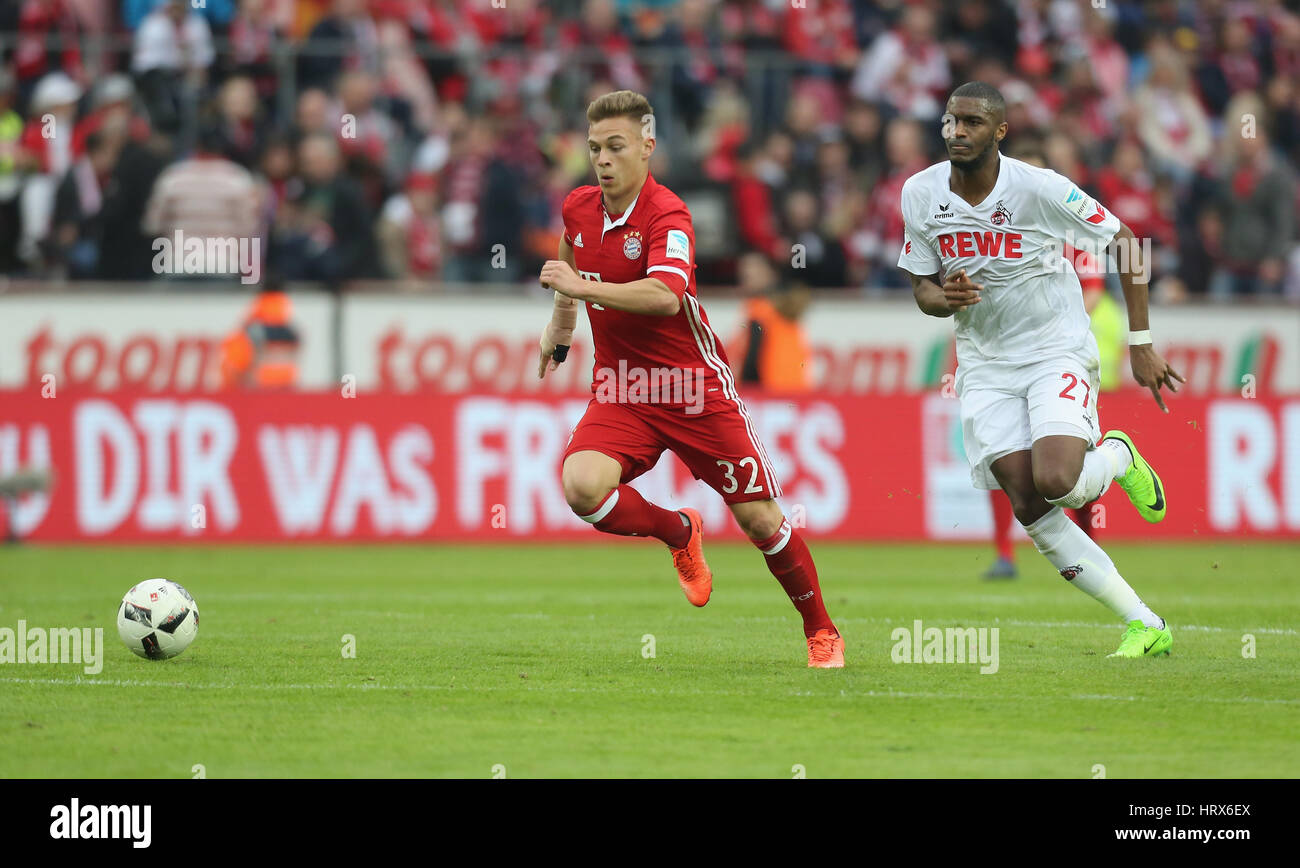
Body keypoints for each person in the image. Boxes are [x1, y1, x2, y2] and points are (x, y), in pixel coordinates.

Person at [536, 90, 843, 668]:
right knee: (580, 486)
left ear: (648, 147)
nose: (602, 159)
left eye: (616, 147)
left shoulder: (668, 214)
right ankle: (678, 531)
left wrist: (582, 291)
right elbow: (571, 252)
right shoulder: (579, 207)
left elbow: (664, 295)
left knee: (760, 521)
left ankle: (821, 630)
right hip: (623, 388)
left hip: (692, 388)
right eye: (595, 147)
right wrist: (560, 322)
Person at [898, 82, 1184, 658]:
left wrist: (1142, 342)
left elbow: (1125, 242)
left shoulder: (1038, 188)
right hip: (984, 363)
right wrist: (942, 298)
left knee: (1058, 480)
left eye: (973, 122)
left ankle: (1118, 456)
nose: (957, 132)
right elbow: (922, 289)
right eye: (951, 121)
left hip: (1054, 348)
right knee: (1027, 501)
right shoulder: (919, 193)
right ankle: (1144, 622)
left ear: (1000, 132)